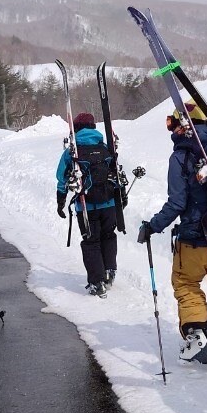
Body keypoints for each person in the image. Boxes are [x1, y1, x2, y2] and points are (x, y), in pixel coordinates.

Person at [137, 103, 207, 368]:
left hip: (194, 240)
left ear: (181, 125)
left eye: (172, 123)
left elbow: (177, 203)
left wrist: (153, 226)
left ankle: (198, 338)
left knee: (186, 285)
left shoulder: (181, 157)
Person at [56, 111, 118, 298]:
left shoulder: (72, 152)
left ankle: (96, 282)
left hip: (86, 206)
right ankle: (109, 271)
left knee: (91, 242)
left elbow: (62, 178)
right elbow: (115, 174)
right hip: (109, 204)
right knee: (108, 236)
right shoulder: (106, 147)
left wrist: (61, 202)